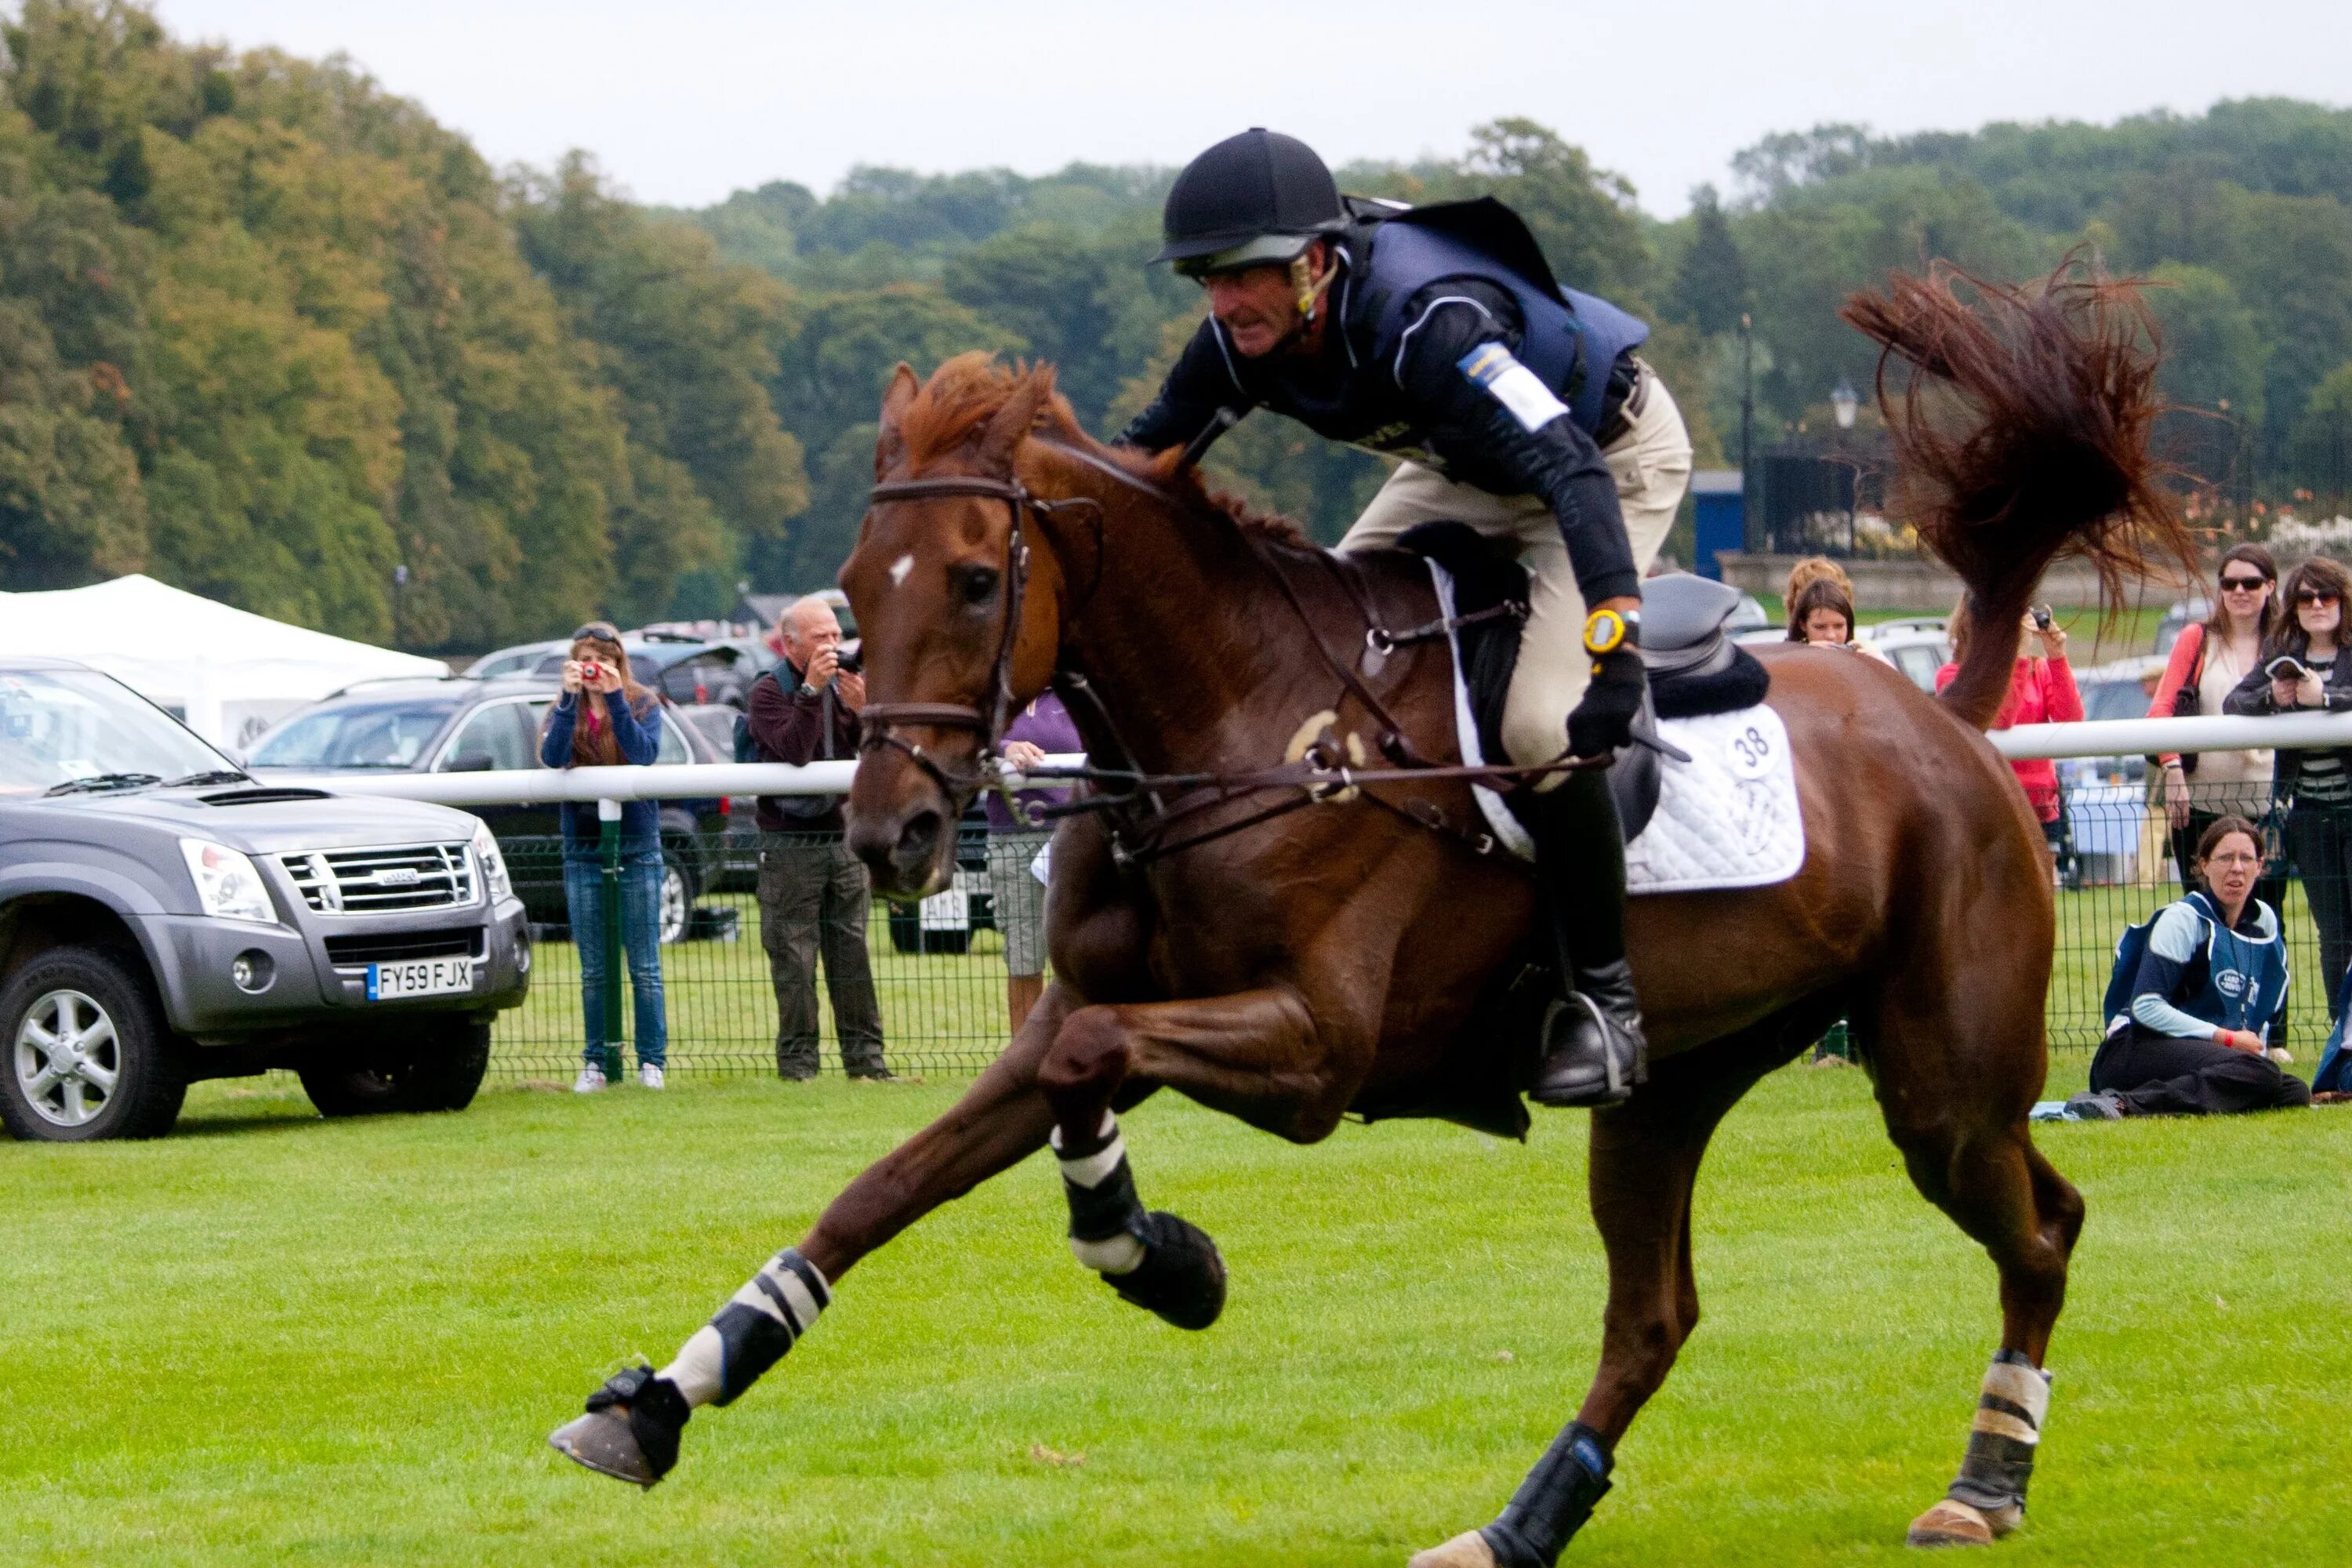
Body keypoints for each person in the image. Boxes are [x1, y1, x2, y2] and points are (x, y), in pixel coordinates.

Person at [1118, 128, 1693, 1107]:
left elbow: (1571, 472)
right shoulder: (1242, 339)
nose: (1222, 304)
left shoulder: (1436, 324)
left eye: (1242, 277)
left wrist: (1616, 644)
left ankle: (1606, 1001)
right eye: (1205, 280)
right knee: (1331, 644)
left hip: (1606, 460)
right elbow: (1137, 471)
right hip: (1459, 470)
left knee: (1537, 726)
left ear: (1314, 263)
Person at [2071, 816, 2310, 1118]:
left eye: (2246, 858)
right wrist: (2224, 1037)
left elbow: (2261, 1007)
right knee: (2256, 1072)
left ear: (2260, 867)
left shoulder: (2264, 923)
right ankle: (2123, 1104)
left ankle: (2151, 1100)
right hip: (2133, 1049)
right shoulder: (2184, 919)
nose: (2237, 868)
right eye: (2225, 858)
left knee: (2292, 1091)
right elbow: (2145, 1007)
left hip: (2201, 1054)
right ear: (2204, 865)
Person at [747, 595, 891, 1082]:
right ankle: (799, 1066)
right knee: (792, 956)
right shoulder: (768, 691)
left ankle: (867, 1062)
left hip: (844, 839)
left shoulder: (847, 684)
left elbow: (880, 751)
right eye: (821, 638)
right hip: (789, 845)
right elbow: (794, 751)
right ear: (791, 644)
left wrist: (865, 709)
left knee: (851, 954)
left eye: (836, 635)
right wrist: (810, 692)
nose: (833, 645)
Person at [539, 622, 668, 1093]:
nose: (595, 671)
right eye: (586, 662)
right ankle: (595, 1062)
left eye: (604, 662)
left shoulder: (641, 703)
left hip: (636, 843)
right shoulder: (563, 708)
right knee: (593, 966)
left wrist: (614, 699)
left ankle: (651, 1061)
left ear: (617, 663)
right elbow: (553, 758)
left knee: (645, 965)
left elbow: (643, 754)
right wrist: (570, 699)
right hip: (582, 847)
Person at [2224, 554, 2352, 1014]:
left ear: (2343, 600)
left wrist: (2329, 699)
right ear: (2293, 605)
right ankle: (2344, 1038)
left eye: (2327, 595)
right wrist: (2271, 696)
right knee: (2333, 933)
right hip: (2310, 815)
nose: (2317, 604)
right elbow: (2233, 702)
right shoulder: (2283, 656)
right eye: (2305, 597)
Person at [2151, 543, 2281, 895]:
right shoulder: (2197, 639)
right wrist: (2172, 768)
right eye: (2229, 583)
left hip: (2267, 806)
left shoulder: (2284, 644)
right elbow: (2161, 709)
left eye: (2251, 583)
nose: (2239, 591)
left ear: (2270, 586)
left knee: (2267, 914)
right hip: (2201, 803)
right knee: (2203, 911)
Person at [1936, 599, 2082, 859]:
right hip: (1989, 805)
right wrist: (2018, 656)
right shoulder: (1953, 676)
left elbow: (2070, 721)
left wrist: (2057, 656)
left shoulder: (2039, 671)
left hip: (2039, 803)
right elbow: (2001, 718)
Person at [988, 691, 1082, 1036]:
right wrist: (1005, 749)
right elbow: (965, 744)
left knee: (1081, 955)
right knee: (1024, 956)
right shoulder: (995, 696)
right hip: (1013, 838)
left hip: (1075, 834)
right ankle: (1023, 1059)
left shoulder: (1072, 692)